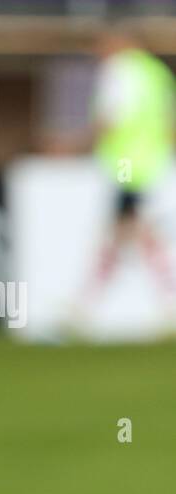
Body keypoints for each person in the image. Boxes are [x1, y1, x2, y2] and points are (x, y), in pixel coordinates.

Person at [81, 26, 176, 311]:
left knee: (132, 231)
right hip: (153, 164)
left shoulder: (120, 70)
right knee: (129, 230)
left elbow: (111, 117)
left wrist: (80, 144)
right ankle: (85, 304)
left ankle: (84, 305)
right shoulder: (156, 72)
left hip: (127, 165)